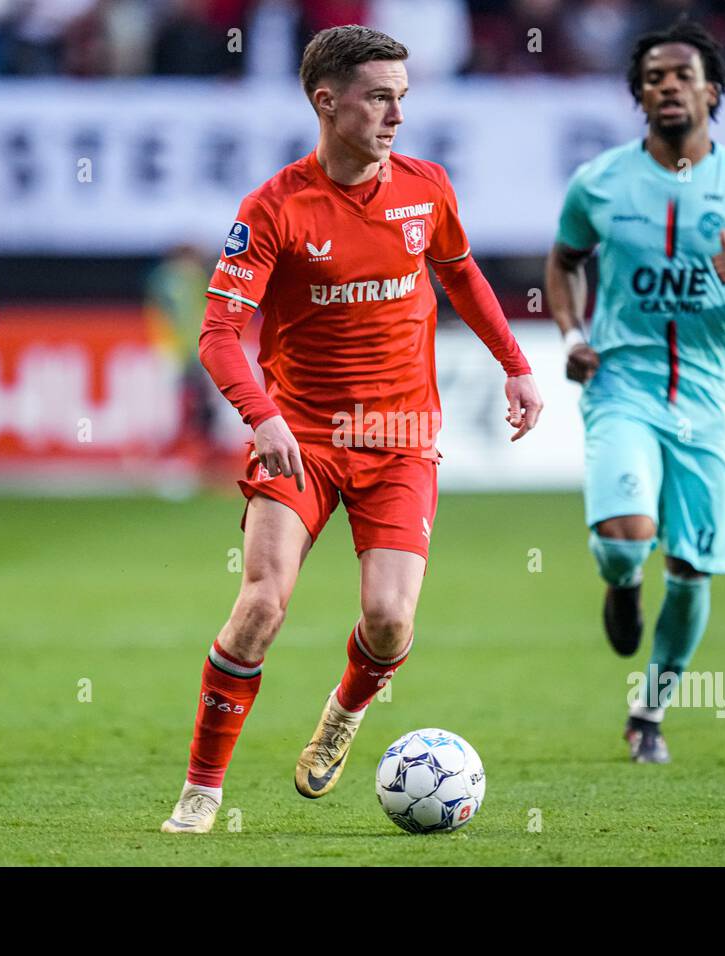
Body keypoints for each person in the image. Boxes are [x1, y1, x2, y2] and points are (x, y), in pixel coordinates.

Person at [162, 24, 543, 833]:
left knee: (390, 620)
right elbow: (219, 332)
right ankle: (201, 792)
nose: (397, 115)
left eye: (403, 98)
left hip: (402, 433)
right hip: (301, 432)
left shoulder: (426, 187)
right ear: (326, 102)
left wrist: (515, 363)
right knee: (262, 602)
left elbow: (462, 274)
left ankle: (343, 712)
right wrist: (261, 417)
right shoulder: (275, 208)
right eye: (380, 98)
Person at [544, 20, 725, 764]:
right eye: (653, 77)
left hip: (710, 402)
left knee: (692, 573)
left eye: (682, 75)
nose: (667, 86)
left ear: (711, 92)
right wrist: (570, 336)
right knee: (625, 539)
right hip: (621, 384)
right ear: (639, 94)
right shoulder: (599, 181)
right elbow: (563, 261)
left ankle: (650, 713)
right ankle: (622, 582)